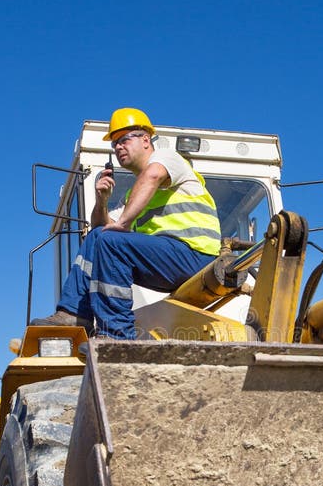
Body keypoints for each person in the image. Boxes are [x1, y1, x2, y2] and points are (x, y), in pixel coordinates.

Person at [31, 107, 222, 339]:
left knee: (111, 241)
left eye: (123, 139)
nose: (118, 147)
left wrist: (122, 223)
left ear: (145, 139)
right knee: (98, 235)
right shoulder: (134, 195)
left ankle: (117, 333)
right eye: (114, 144)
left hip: (195, 256)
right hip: (169, 261)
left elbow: (151, 177)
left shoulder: (167, 158)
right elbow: (102, 228)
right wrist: (101, 202)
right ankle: (74, 313)